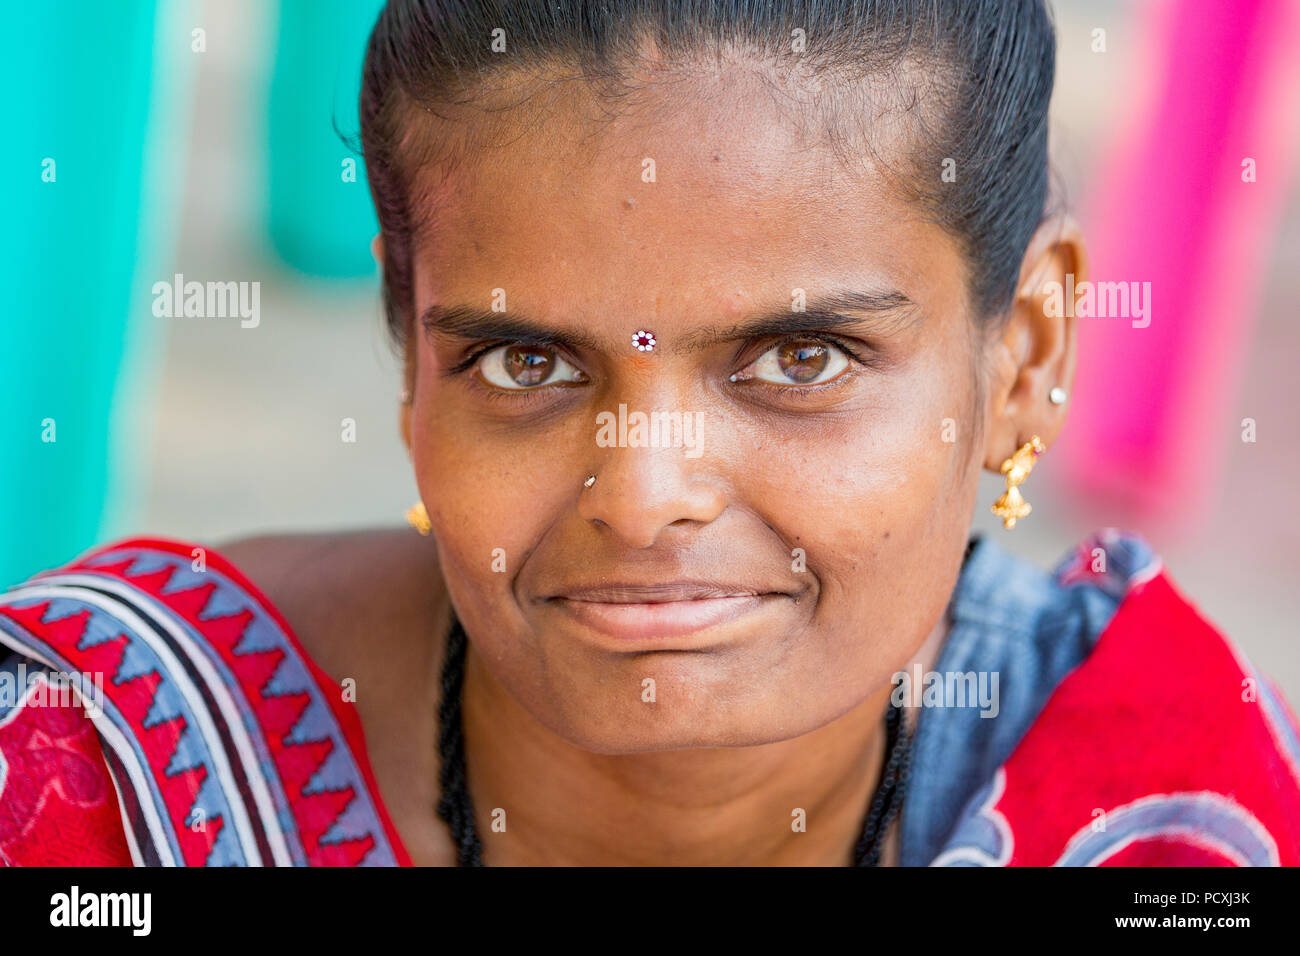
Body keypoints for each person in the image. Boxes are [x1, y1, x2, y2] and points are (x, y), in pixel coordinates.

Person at [2, 0, 1297, 867]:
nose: (644, 494)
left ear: (1023, 356)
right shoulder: (83, 781)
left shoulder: (1176, 802)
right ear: (411, 365)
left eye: (800, 359)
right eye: (524, 361)